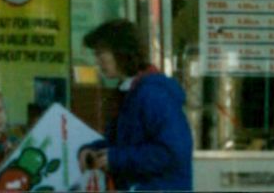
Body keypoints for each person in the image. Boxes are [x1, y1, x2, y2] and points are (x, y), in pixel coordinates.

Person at [79, 18, 194, 192]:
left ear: (121, 52)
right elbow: (124, 144)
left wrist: (116, 158)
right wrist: (93, 150)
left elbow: (172, 152)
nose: (98, 61)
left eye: (101, 53)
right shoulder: (131, 92)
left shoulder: (153, 94)